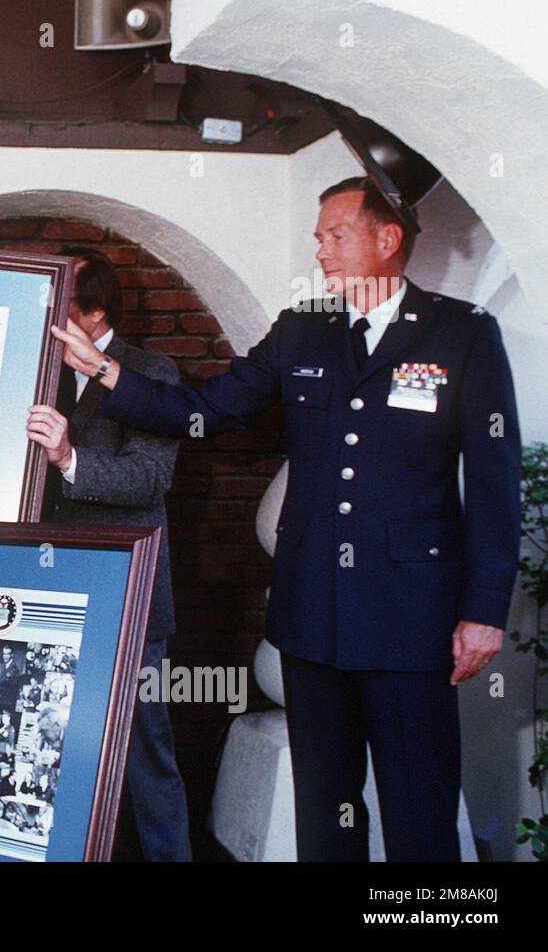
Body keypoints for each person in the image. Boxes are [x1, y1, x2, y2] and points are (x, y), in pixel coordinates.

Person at [52, 177, 521, 861]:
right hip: (312, 616)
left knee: (420, 809)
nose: (322, 249)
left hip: (409, 617)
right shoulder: (303, 330)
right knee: (326, 813)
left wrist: (484, 611)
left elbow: (493, 482)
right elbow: (207, 411)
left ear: (387, 241)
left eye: (337, 235)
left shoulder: (463, 334)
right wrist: (108, 375)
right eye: (318, 237)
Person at [26, 247, 193, 861]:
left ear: (94, 313)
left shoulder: (153, 372)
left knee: (147, 755)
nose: (46, 316)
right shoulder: (30, 366)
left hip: (130, 601)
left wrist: (69, 458)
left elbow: (150, 478)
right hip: (43, 594)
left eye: (60, 303)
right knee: (47, 750)